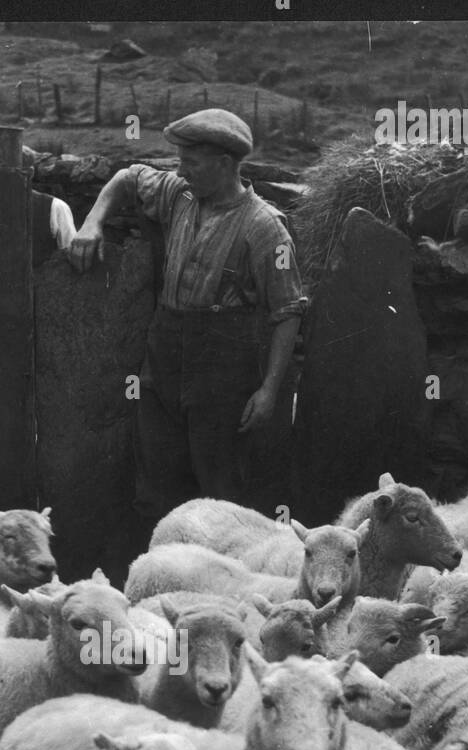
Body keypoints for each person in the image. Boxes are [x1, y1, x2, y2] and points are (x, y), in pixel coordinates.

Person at [67, 108, 306, 538]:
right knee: (156, 475)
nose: (181, 171)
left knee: (219, 487)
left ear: (226, 165)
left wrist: (269, 390)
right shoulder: (179, 194)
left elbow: (287, 312)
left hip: (223, 369)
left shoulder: (267, 230)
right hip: (164, 357)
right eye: (180, 162)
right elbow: (127, 177)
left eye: (191, 164)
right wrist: (91, 223)